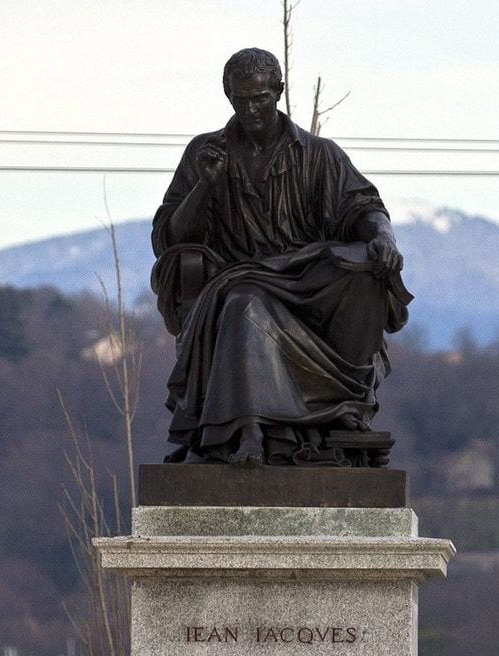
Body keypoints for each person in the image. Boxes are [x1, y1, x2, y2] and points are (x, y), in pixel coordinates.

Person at [151, 47, 412, 467]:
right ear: (229, 96)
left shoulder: (319, 154)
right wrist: (205, 185)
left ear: (279, 91)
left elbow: (363, 208)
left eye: (260, 98)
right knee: (247, 305)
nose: (252, 109)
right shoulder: (206, 153)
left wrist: (384, 237)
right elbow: (170, 238)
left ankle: (346, 407)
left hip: (306, 277)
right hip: (239, 278)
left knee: (365, 277)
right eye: (241, 99)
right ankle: (250, 429)